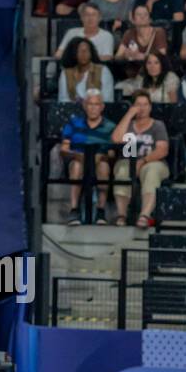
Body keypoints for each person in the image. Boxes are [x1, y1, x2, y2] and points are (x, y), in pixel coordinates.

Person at [111, 90, 170, 229]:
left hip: (153, 162)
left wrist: (142, 161)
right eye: (138, 104)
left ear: (150, 107)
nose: (142, 108)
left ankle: (145, 215)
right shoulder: (128, 125)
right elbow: (116, 139)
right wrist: (129, 115)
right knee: (122, 169)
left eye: (145, 105)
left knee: (152, 171)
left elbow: (162, 150)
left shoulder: (158, 125)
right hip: (128, 160)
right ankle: (121, 215)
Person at [60, 91, 117, 224]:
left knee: (103, 167)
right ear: (85, 106)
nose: (93, 108)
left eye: (96, 104)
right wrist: (77, 155)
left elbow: (113, 153)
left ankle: (101, 212)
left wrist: (102, 157)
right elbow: (64, 148)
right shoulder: (74, 123)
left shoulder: (110, 127)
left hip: (100, 161)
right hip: (77, 159)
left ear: (102, 107)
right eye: (90, 104)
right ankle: (74, 210)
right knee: (77, 166)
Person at [113, 5, 168, 81]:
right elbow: (117, 57)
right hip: (132, 75)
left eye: (145, 14)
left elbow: (162, 55)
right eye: (139, 14)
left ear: (150, 18)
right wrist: (125, 55)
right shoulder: (129, 33)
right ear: (133, 19)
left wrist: (141, 56)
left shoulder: (158, 32)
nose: (142, 17)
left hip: (153, 75)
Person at [58, 38, 114, 104]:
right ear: (73, 53)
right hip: (73, 112)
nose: (83, 54)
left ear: (91, 53)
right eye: (80, 51)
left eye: (86, 50)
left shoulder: (103, 71)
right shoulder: (65, 73)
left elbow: (107, 100)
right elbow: (63, 100)